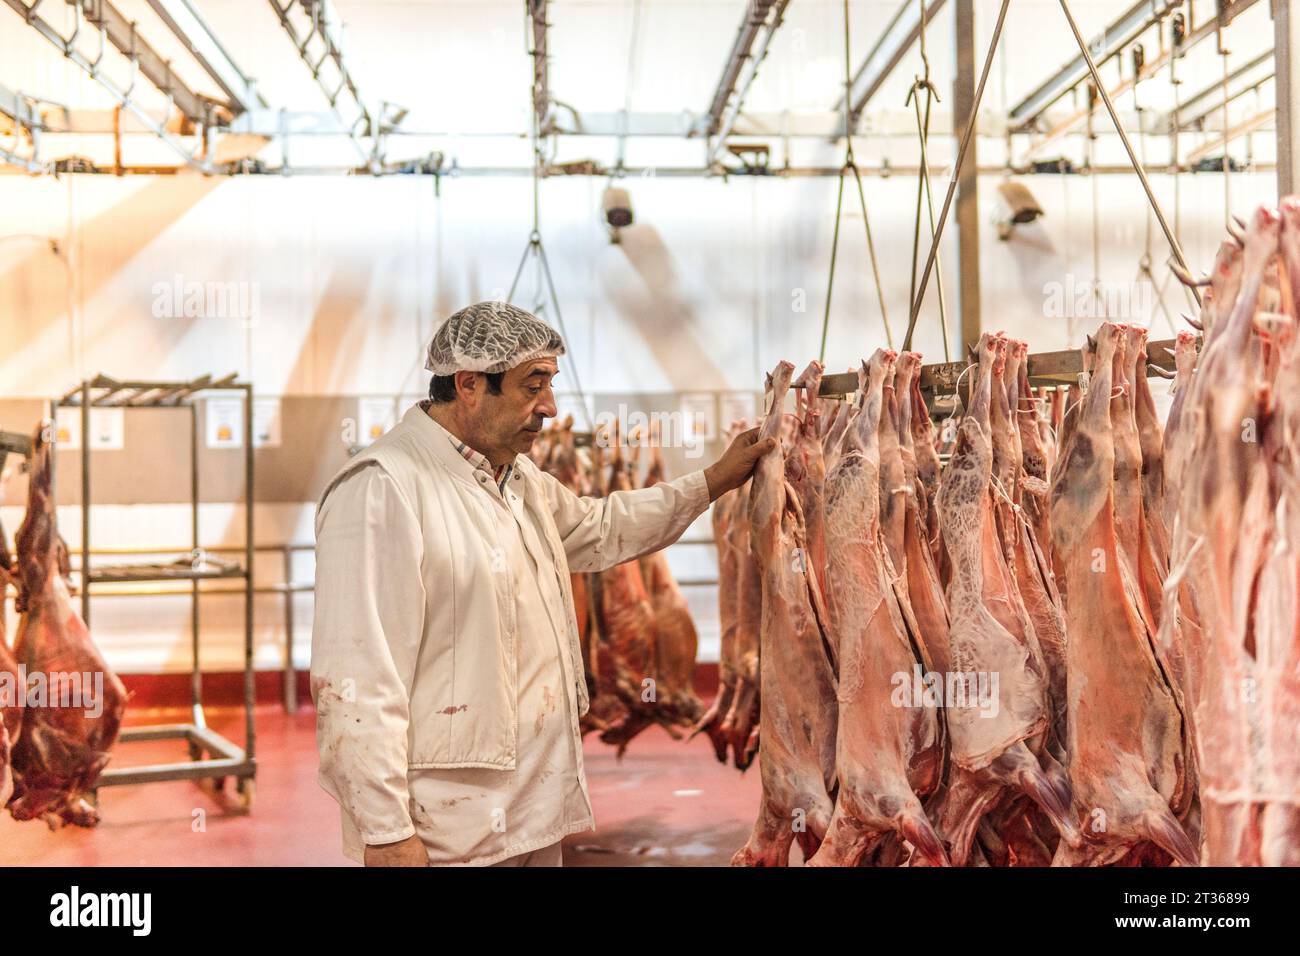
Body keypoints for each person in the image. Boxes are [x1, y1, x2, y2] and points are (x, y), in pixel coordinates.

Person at [310, 301, 773, 866]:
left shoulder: (516, 478)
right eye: (534, 386)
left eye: (550, 385)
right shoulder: (383, 488)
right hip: (445, 831)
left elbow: (600, 528)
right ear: (470, 384)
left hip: (535, 810)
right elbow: (357, 681)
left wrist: (711, 483)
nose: (550, 408)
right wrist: (385, 832)